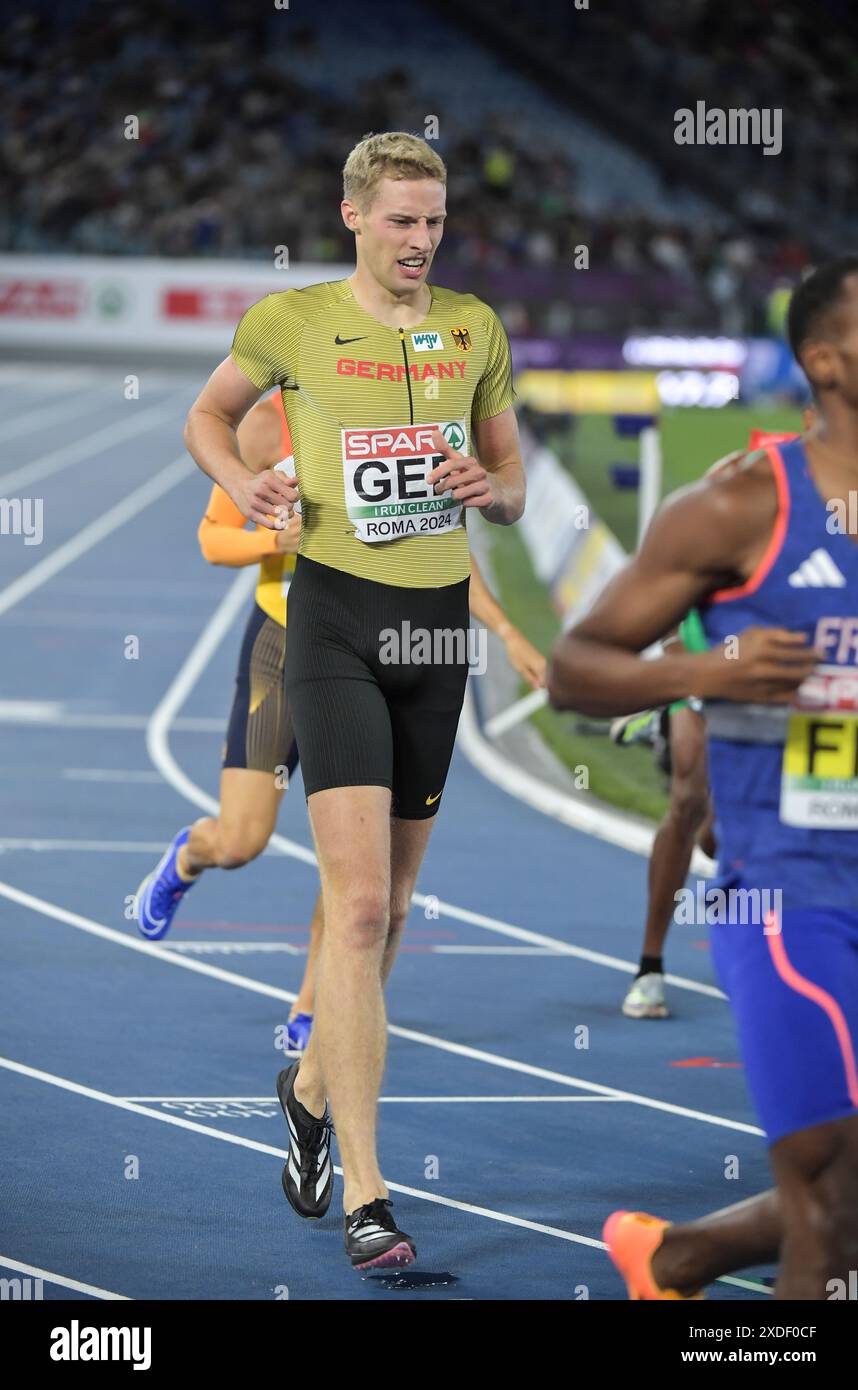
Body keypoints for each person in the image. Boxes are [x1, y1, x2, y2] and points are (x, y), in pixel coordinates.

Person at [182, 131, 525, 1269]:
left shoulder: (475, 326)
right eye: (400, 221)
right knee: (361, 906)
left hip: (435, 637)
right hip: (329, 622)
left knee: (397, 907)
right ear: (352, 218)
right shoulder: (290, 322)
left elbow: (512, 488)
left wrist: (494, 488)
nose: (420, 241)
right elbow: (205, 418)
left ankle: (310, 1084)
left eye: (433, 222)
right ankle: (369, 1196)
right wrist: (246, 481)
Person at [548, 256, 858, 1299]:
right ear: (823, 359)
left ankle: (675, 1256)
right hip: (795, 890)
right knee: (829, 1190)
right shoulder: (740, 503)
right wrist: (711, 668)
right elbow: (573, 667)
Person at [136, 385, 543, 1053]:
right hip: (283, 644)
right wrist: (274, 537)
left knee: (355, 858)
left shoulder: (406, 429)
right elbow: (213, 538)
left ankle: (312, 1005)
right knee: (241, 840)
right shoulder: (269, 426)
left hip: (367, 656)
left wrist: (506, 632)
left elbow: (443, 549)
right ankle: (191, 855)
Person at [619, 429, 806, 1020]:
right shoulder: (727, 501)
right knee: (688, 799)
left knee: (719, 837)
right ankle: (650, 966)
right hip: (701, 669)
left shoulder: (826, 518)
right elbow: (670, 612)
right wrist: (686, 674)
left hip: (765, 691)